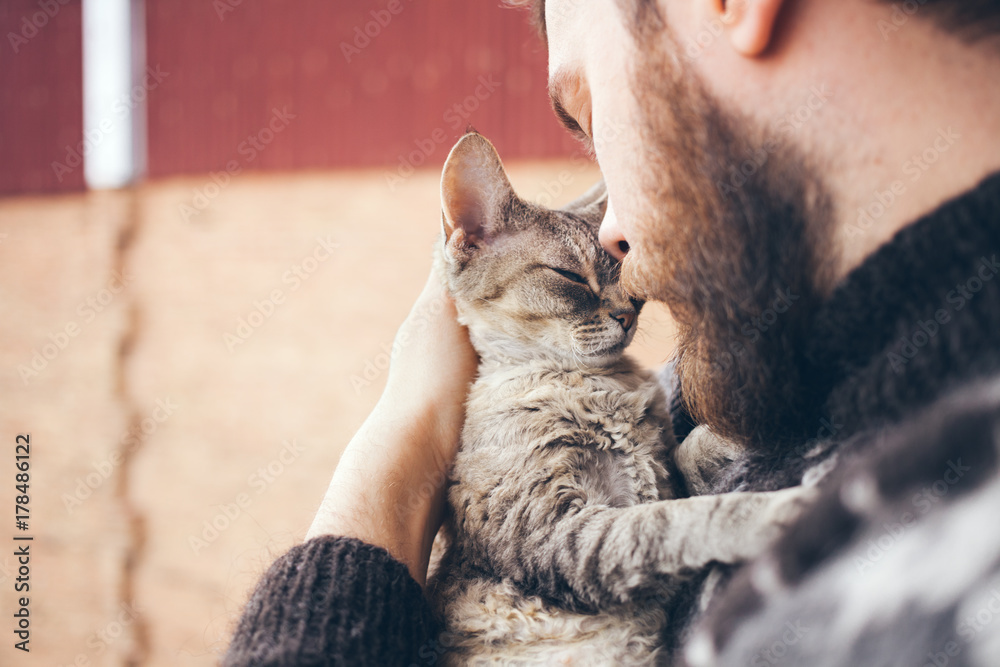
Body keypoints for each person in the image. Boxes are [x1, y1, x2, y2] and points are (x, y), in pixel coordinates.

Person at [223, 0, 1000, 664]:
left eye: (591, 116)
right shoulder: (762, 379)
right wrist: (411, 435)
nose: (617, 238)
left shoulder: (912, 584)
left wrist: (387, 480)